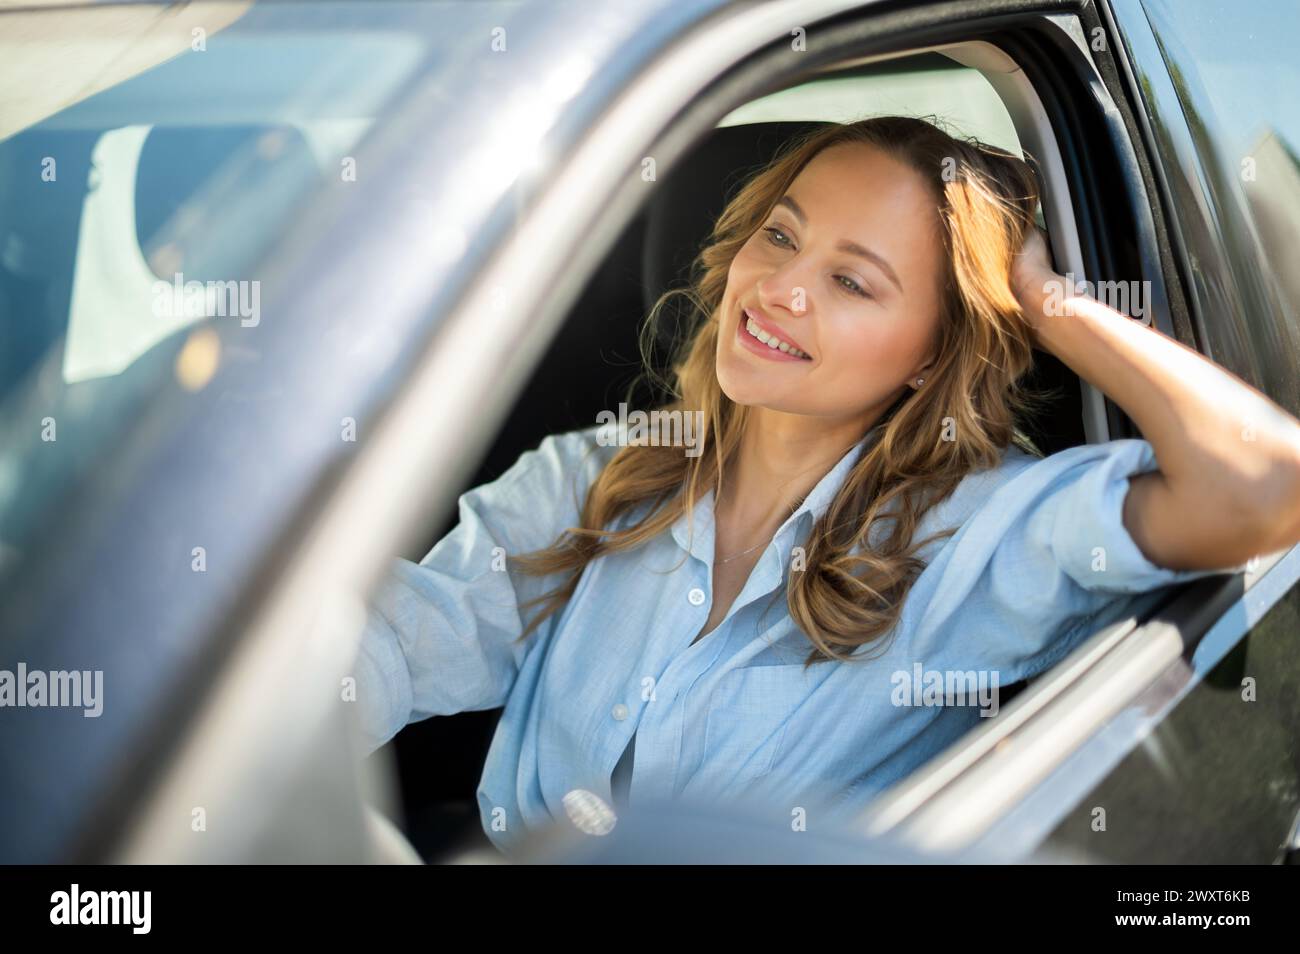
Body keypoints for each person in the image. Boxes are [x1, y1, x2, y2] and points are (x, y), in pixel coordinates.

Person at [350, 116, 1300, 856]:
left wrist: (1054, 307)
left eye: (852, 283)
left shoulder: (974, 535)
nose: (779, 288)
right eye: (779, 236)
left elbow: (1265, 488)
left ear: (933, 355)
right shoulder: (600, 477)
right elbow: (391, 641)